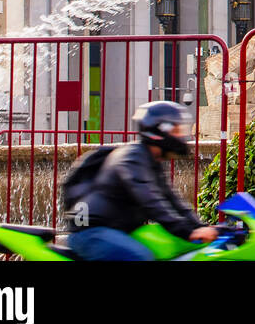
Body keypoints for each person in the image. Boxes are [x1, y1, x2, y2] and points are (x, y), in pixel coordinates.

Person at [67, 101, 218, 261]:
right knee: (141, 257)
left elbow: (173, 200)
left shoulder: (150, 160)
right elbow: (152, 201)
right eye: (177, 130)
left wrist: (201, 227)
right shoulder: (132, 159)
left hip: (115, 231)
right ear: (160, 130)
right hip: (92, 233)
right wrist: (188, 232)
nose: (182, 137)